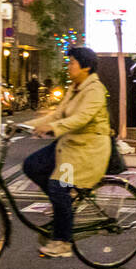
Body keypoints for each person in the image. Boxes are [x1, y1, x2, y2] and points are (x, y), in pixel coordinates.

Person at [25, 47, 112, 258]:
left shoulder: (95, 89)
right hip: (70, 144)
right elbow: (57, 114)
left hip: (86, 150)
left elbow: (81, 118)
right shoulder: (74, 88)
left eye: (72, 62)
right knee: (32, 165)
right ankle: (63, 206)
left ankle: (63, 242)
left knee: (58, 186)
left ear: (86, 66)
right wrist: (25, 126)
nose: (69, 66)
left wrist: (53, 128)